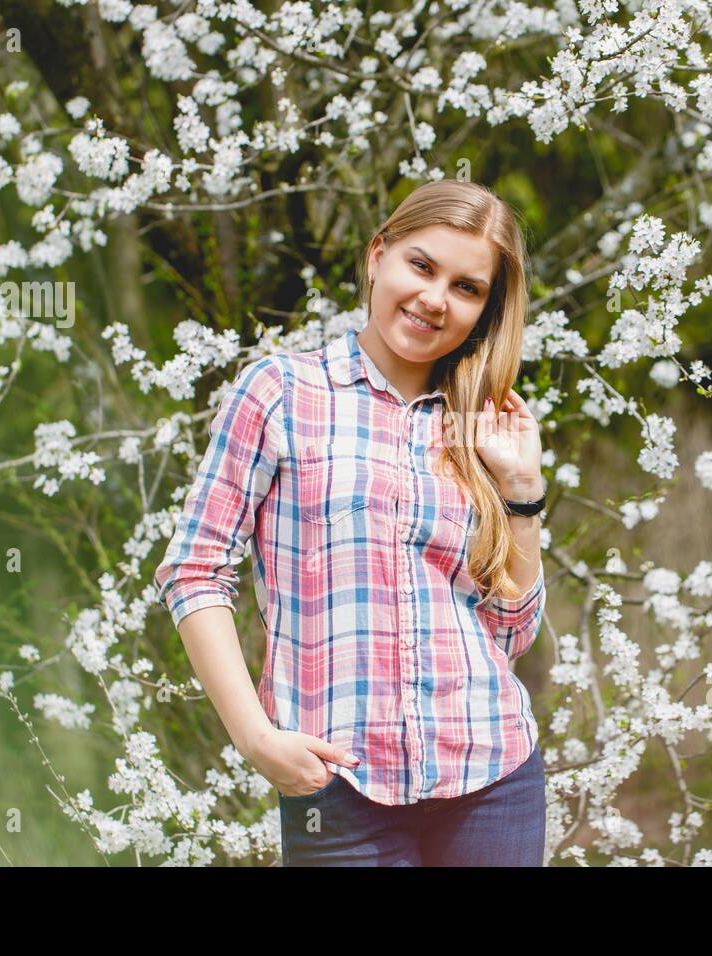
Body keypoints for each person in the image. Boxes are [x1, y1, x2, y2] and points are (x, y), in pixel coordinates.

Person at [153, 180, 549, 866]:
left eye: (466, 287)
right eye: (421, 266)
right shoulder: (280, 393)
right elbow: (194, 570)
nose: (434, 299)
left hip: (493, 777)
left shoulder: (479, 424)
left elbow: (510, 633)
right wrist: (255, 737)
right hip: (338, 787)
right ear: (378, 255)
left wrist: (520, 494)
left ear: (485, 309)